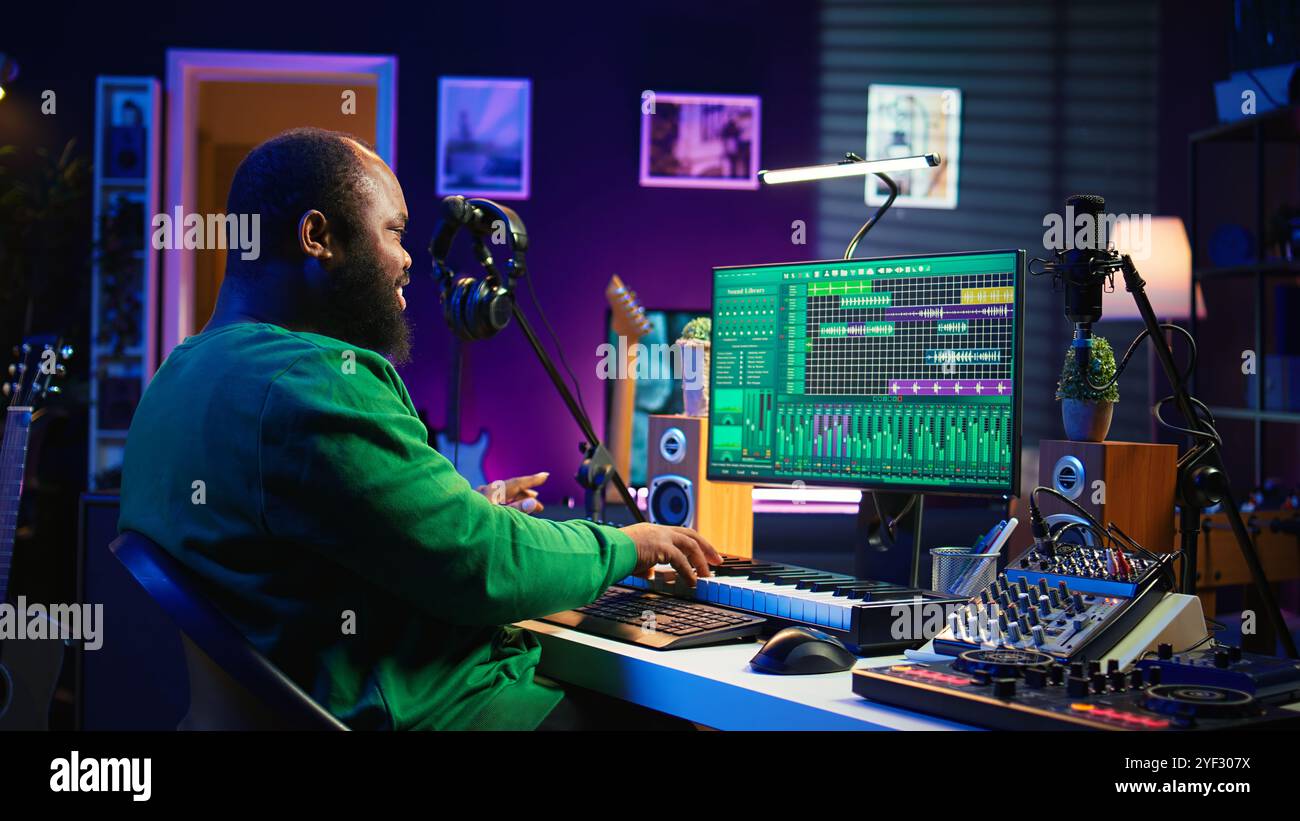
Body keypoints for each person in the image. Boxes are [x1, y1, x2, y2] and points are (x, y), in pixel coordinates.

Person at [119, 127, 720, 730]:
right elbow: (483, 566)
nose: (407, 258)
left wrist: (448, 508)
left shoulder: (179, 376)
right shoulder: (311, 380)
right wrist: (625, 544)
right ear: (318, 236)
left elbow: (306, 541)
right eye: (394, 231)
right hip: (433, 716)